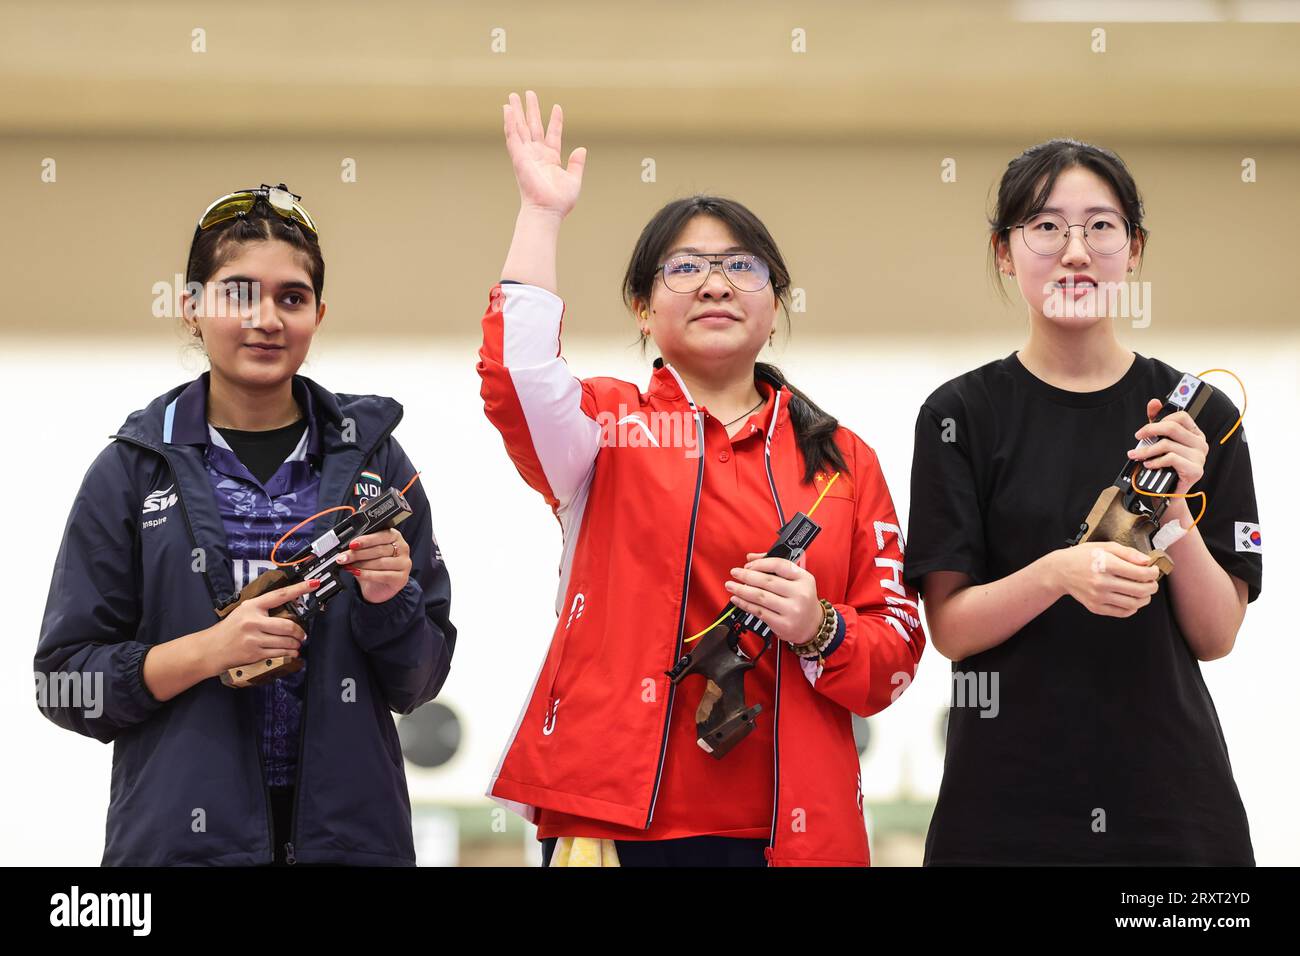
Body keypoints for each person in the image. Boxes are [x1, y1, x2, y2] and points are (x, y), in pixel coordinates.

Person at [479, 91, 925, 867]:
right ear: (642, 309)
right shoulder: (601, 429)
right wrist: (540, 216)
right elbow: (515, 377)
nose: (715, 284)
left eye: (739, 268)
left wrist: (819, 626)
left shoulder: (843, 460)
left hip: (793, 832)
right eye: (684, 268)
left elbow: (896, 653)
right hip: (615, 824)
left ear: (775, 306)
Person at [34, 183, 456, 866]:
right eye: (238, 293)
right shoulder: (130, 471)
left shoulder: (377, 462)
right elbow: (63, 683)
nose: (267, 318)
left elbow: (419, 682)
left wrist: (392, 602)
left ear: (319, 314)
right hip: (182, 847)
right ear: (191, 307)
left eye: (292, 297)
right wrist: (206, 652)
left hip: (353, 843)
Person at [903, 139, 1260, 865]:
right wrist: (1061, 574)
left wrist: (1176, 514)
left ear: (1134, 251)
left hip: (1171, 806)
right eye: (1044, 226)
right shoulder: (961, 414)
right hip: (1003, 802)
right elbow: (951, 627)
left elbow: (1217, 635)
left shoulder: (1199, 415)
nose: (1075, 250)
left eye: (1101, 226)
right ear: (1005, 253)